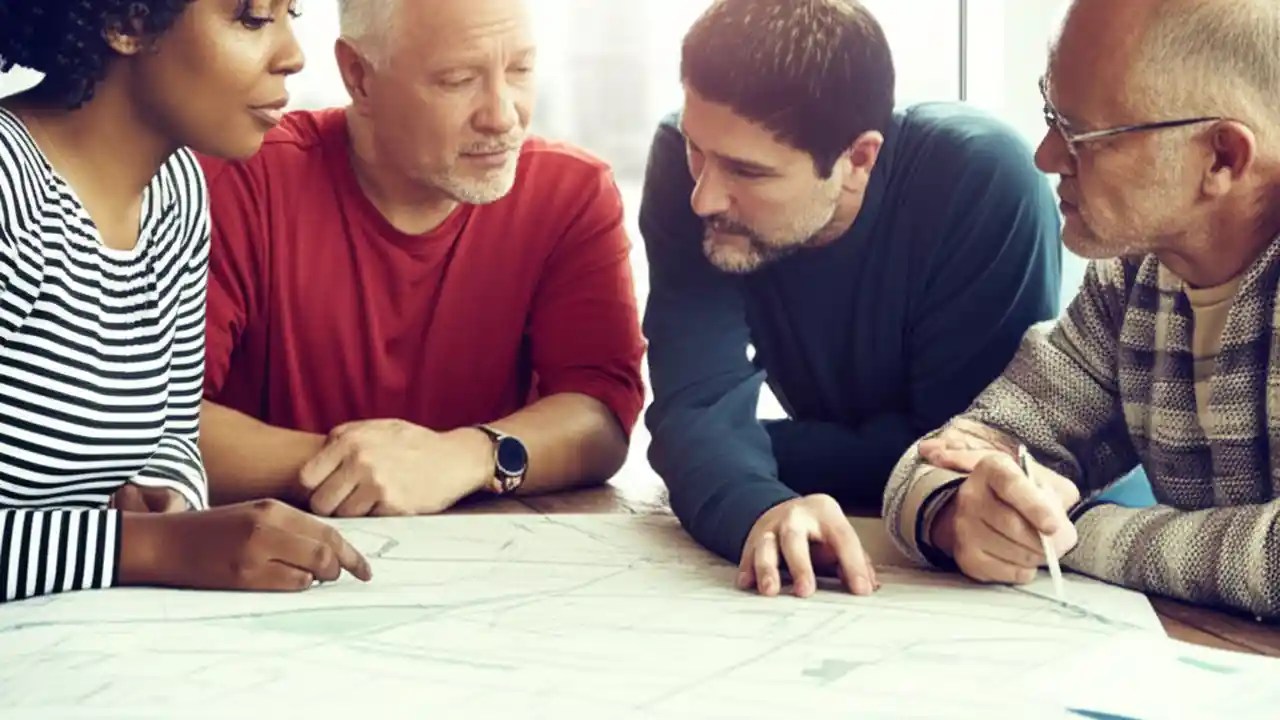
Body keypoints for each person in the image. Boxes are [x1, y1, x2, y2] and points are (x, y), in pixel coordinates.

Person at [642, 0, 1062, 598]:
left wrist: (735, 445)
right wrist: (756, 504)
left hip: (1044, 530)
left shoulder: (983, 182)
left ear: (858, 159)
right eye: (696, 148)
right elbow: (694, 403)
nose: (704, 197)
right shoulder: (688, 170)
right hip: (876, 529)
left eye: (749, 173)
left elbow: (957, 454)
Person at [885, 0, 1280, 620]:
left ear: (1222, 157)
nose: (1045, 155)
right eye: (1051, 114)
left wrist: (1076, 531)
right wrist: (960, 511)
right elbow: (950, 451)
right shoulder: (1133, 279)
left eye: (1080, 134)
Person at [196, 0, 646, 518]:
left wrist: (465, 457)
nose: (502, 115)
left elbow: (602, 415)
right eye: (458, 80)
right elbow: (152, 424)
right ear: (359, 76)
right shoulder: (240, 178)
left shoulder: (572, 194)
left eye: (521, 69)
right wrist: (375, 467)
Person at [0, 0, 371, 604]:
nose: (293, 56)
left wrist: (171, 498)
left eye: (290, 14)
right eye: (252, 19)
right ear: (127, 22)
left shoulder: (178, 195)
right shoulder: (9, 192)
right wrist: (154, 546)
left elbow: (173, 434)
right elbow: (143, 545)